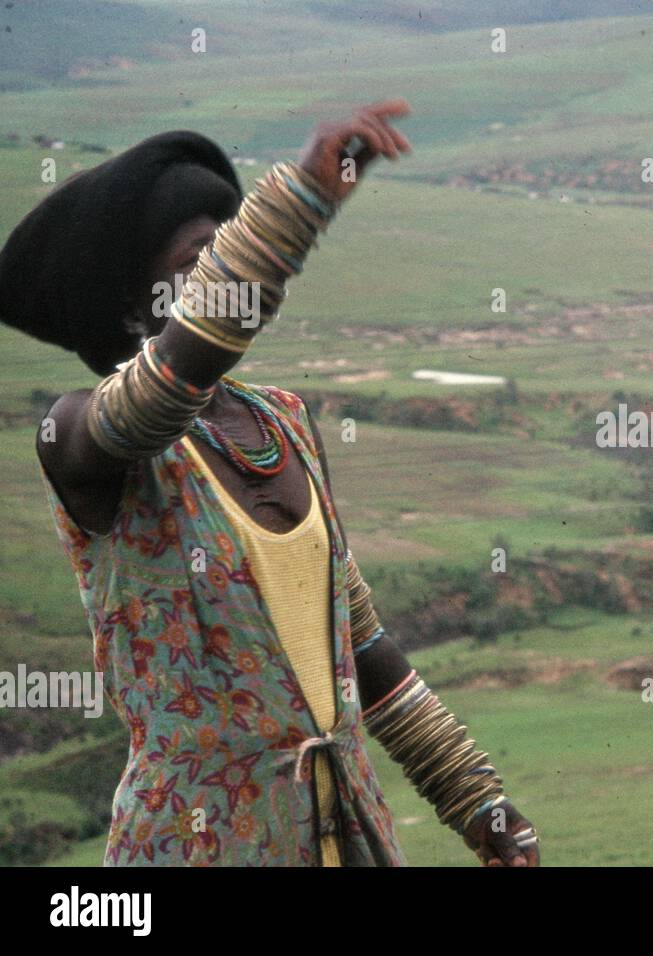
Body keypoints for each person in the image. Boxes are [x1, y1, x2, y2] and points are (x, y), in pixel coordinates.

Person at [0, 101, 540, 867]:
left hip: (343, 836)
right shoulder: (83, 437)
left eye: (234, 248)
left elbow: (362, 647)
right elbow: (164, 389)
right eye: (201, 260)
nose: (232, 275)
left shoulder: (284, 422)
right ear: (131, 303)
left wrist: (479, 803)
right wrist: (297, 206)